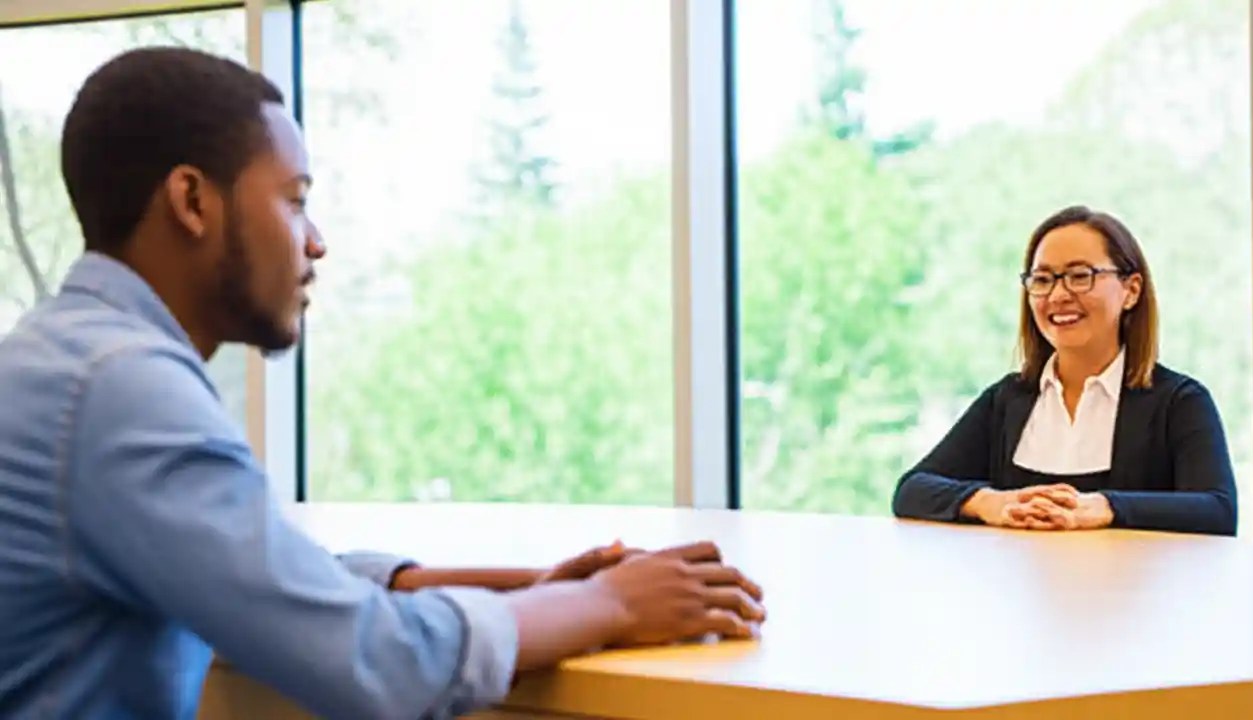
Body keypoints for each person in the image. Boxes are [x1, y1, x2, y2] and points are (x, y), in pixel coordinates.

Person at [0, 47, 765, 720]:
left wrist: (534, 591)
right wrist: (606, 605)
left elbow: (252, 572)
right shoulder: (121, 391)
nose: (316, 241)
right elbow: (375, 665)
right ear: (193, 201)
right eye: (294, 200)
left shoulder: (63, 362)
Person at [892, 205, 1237, 536]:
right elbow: (912, 490)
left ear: (1131, 290)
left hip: (1133, 595)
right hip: (1020, 594)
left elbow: (1217, 511)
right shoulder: (1009, 399)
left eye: (1079, 276)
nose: (1058, 295)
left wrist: (1106, 507)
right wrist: (989, 503)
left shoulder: (1179, 401)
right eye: (1042, 279)